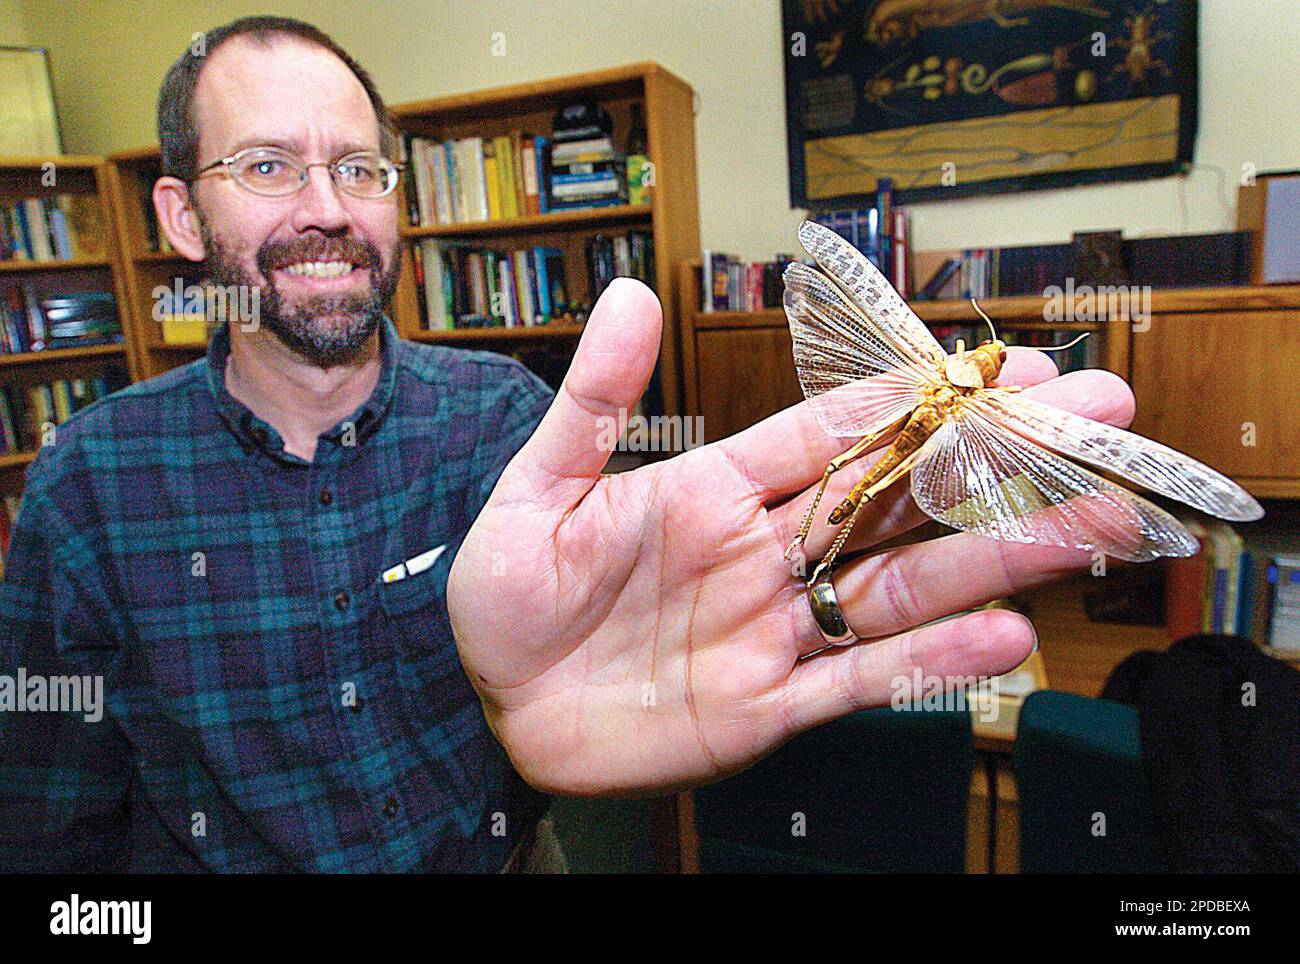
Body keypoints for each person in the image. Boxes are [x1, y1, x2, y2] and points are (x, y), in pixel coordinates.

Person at [0, 16, 1134, 872]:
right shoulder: (84, 493)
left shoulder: (506, 419)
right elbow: (53, 846)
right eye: (266, 166)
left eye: (360, 167)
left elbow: (649, 632)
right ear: (182, 218)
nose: (330, 209)